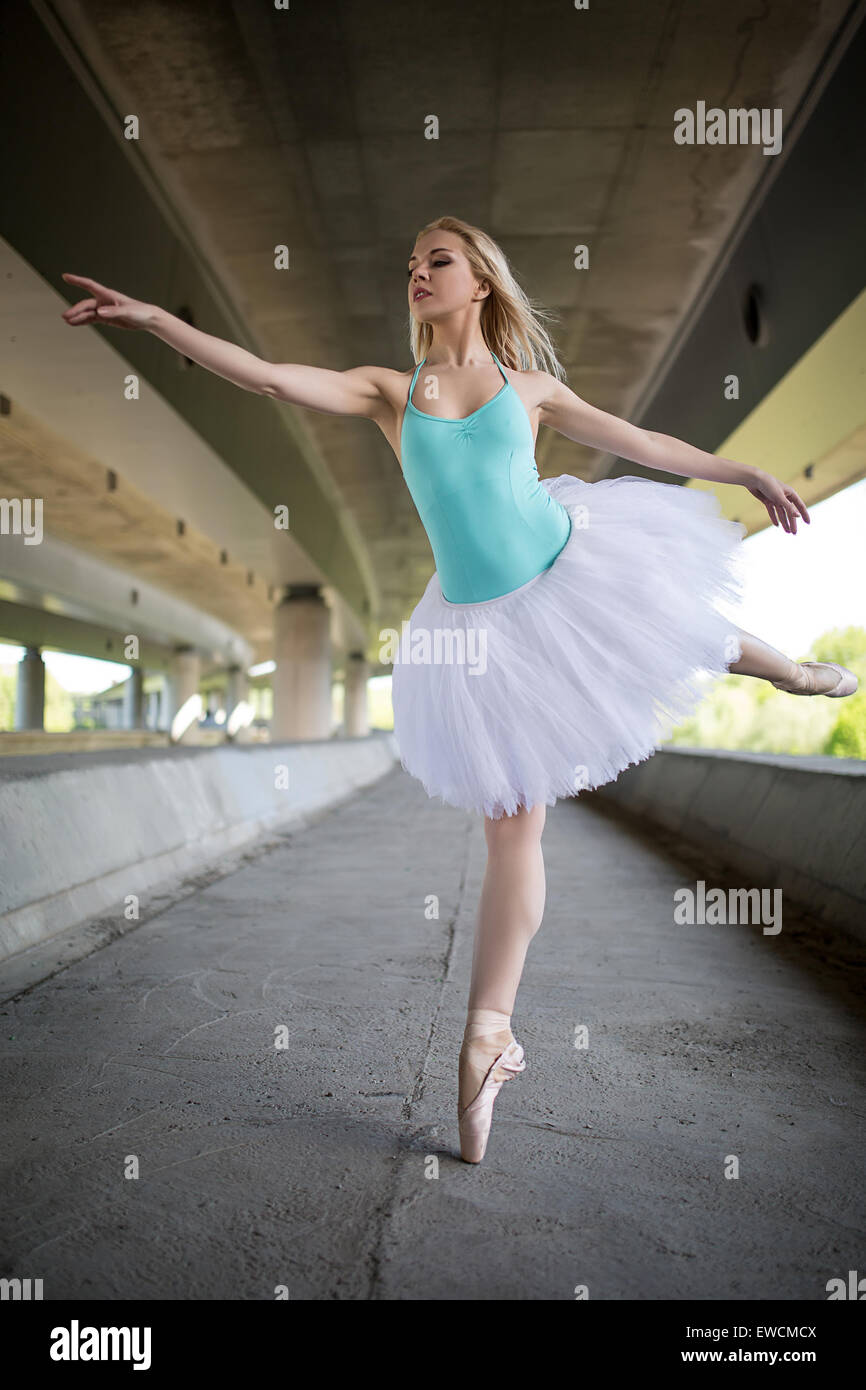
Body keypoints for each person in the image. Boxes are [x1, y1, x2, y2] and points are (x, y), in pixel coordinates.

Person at [60, 215, 857, 1164]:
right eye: (410, 265)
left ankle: (797, 670)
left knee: (673, 624)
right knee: (516, 826)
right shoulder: (393, 393)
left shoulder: (530, 390)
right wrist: (153, 318)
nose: (418, 274)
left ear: (481, 282)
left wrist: (743, 472)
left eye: (438, 261)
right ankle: (487, 1041)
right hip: (480, 635)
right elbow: (268, 375)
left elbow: (644, 439)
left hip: (564, 570)